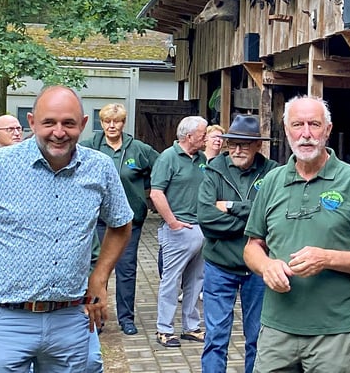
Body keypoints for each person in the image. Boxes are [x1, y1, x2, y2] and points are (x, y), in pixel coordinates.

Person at [0, 86, 133, 372]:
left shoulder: (99, 168)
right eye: (48, 122)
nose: (59, 132)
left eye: (68, 123)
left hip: (69, 318)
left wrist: (99, 278)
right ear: (31, 122)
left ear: (83, 124)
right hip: (4, 319)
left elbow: (121, 224)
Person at [244, 96, 350, 373]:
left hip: (333, 331)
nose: (306, 134)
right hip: (278, 326)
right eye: (298, 125)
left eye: (314, 124)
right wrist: (267, 265)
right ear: (287, 130)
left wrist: (327, 258)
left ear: (328, 130)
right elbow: (252, 246)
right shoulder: (272, 182)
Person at [197, 115, 279, 373]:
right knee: (215, 338)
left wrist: (231, 207)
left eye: (244, 144)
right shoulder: (213, 171)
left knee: (257, 337)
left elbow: (274, 217)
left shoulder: (273, 173)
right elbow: (207, 220)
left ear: (258, 146)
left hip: (258, 269)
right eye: (232, 144)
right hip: (219, 267)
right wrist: (253, 221)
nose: (237, 150)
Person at [80, 103, 160, 336]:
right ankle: (97, 318)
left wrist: (143, 193)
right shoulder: (90, 148)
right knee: (97, 269)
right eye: (107, 121)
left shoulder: (137, 149)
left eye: (116, 121)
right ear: (101, 123)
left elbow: (161, 169)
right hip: (97, 220)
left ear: (124, 123)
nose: (111, 126)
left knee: (127, 270)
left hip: (129, 222)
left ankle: (126, 319)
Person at [150, 115, 208, 348]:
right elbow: (156, 193)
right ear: (188, 136)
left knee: (196, 280)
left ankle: (191, 327)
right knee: (171, 282)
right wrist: (173, 223)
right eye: (203, 134)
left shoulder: (202, 158)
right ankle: (164, 330)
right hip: (179, 230)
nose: (205, 138)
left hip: (201, 229)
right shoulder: (168, 158)